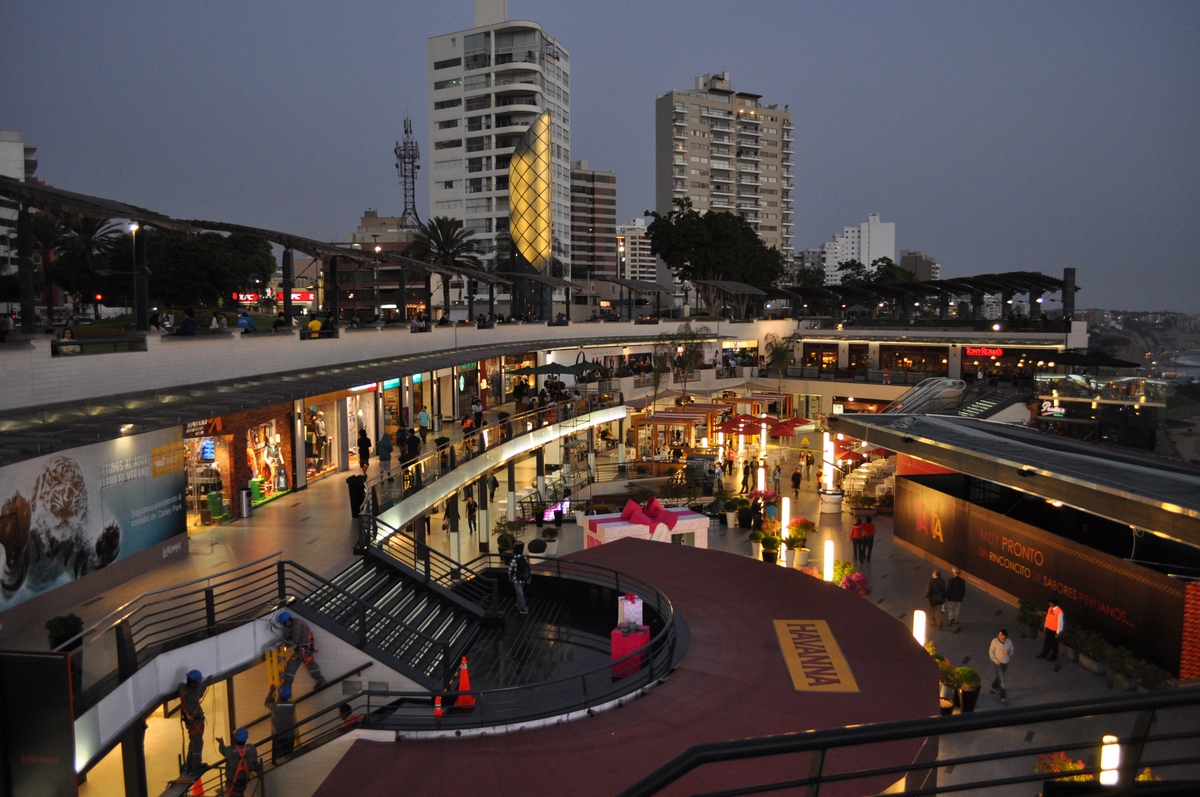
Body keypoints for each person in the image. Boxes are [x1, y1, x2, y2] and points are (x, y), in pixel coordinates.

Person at [277, 611, 327, 688]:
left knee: (292, 664)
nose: (285, 626)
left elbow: (295, 640)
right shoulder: (298, 622)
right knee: (310, 664)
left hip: (304, 649)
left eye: (284, 624)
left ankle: (287, 684)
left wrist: (285, 642)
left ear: (287, 621)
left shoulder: (296, 626)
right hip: (307, 648)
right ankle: (321, 680)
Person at [178, 669, 213, 775]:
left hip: (191, 722)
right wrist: (206, 683)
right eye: (197, 683)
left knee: (193, 743)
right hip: (195, 723)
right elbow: (198, 694)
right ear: (193, 682)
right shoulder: (191, 695)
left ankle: (191, 765)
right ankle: (195, 768)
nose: (198, 684)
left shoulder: (182, 688)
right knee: (197, 744)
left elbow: (187, 686)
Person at [217, 727, 262, 797]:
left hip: (232, 783)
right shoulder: (252, 748)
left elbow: (222, 750)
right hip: (243, 782)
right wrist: (260, 773)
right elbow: (256, 764)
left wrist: (221, 742)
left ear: (236, 738)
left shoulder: (230, 751)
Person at [265, 684, 296, 762]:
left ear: (279, 694)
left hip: (278, 736)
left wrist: (271, 692)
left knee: (277, 757)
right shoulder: (292, 705)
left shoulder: (275, 706)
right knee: (288, 756)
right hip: (290, 735)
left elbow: (266, 703)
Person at [989, 629, 1013, 704]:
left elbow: (1012, 651)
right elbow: (991, 651)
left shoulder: (1009, 642)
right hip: (998, 663)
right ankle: (1003, 697)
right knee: (1001, 681)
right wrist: (995, 660)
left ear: (1005, 636)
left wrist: (1008, 652)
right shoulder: (995, 641)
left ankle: (993, 687)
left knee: (999, 677)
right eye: (999, 634)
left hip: (1005, 662)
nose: (1000, 636)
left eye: (1002, 635)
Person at [509, 541, 531, 615]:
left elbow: (510, 570)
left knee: (520, 593)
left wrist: (510, 577)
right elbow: (527, 568)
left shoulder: (513, 560)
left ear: (514, 552)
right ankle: (518, 604)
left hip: (516, 579)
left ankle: (524, 608)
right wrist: (528, 578)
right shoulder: (524, 558)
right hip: (524, 579)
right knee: (520, 592)